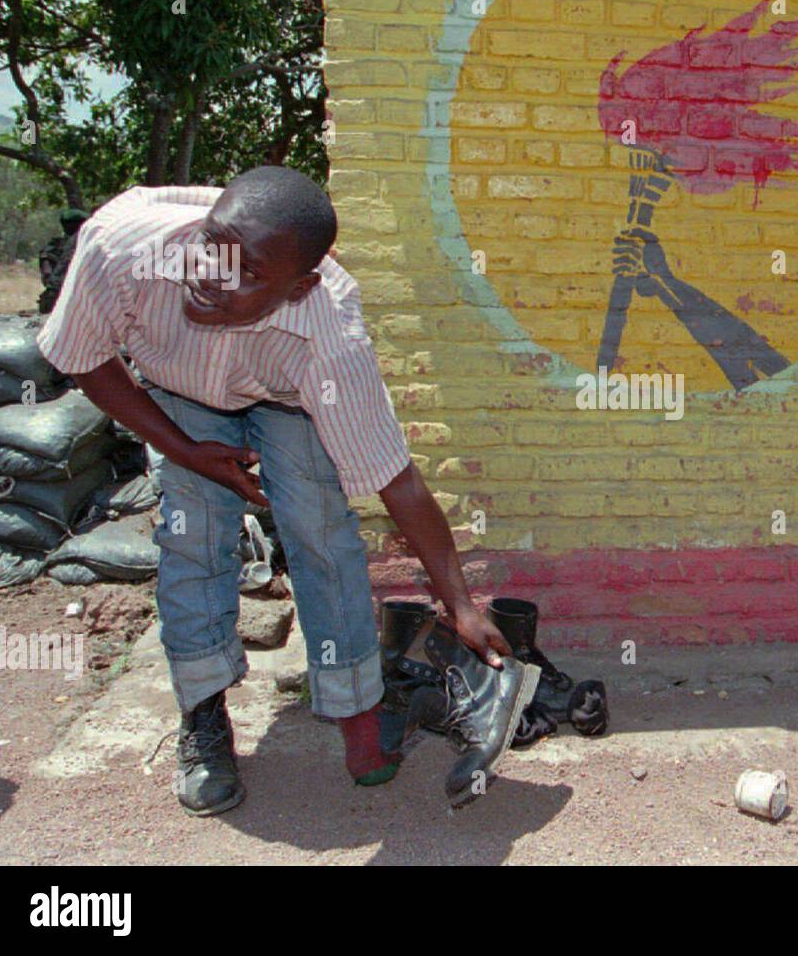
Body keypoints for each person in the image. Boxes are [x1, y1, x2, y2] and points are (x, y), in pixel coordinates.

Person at [37, 166, 536, 815]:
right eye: (213, 243)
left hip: (287, 398)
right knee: (194, 536)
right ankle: (203, 719)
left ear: (299, 288)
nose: (212, 273)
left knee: (322, 531)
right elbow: (81, 357)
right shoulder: (121, 248)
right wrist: (185, 450)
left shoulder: (328, 328)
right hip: (179, 390)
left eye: (247, 272)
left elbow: (396, 478)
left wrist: (463, 605)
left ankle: (359, 711)